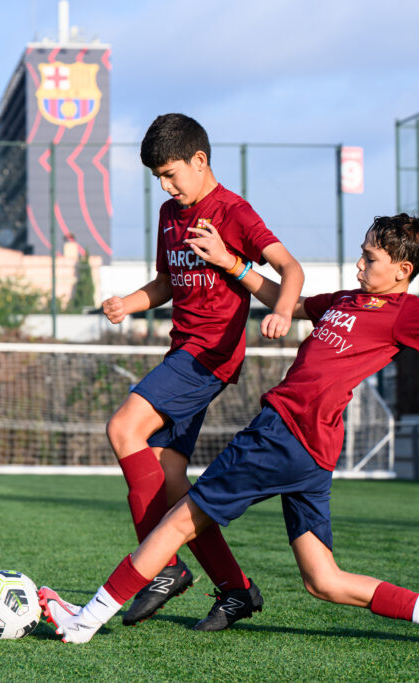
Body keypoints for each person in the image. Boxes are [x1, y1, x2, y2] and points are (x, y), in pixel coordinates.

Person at [39, 213, 419, 646]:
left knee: (177, 521)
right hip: (312, 451)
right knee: (322, 580)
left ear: (402, 270)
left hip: (281, 435)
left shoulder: (406, 313)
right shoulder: (348, 299)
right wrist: (231, 263)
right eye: (362, 253)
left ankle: (84, 620)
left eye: (370, 258)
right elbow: (289, 301)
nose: (359, 264)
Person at [101, 113, 305, 629]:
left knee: (123, 429)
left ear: (200, 160)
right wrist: (128, 303)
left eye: (171, 174)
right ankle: (236, 590)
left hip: (208, 356)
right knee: (171, 482)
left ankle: (163, 566)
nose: (166, 187)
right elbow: (166, 284)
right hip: (183, 352)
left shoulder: (233, 211)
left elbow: (291, 268)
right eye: (158, 178)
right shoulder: (170, 214)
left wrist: (282, 310)